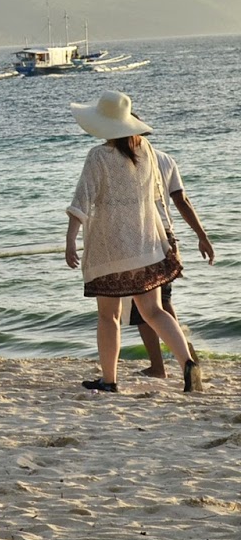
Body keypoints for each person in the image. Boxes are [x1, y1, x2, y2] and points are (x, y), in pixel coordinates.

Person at [64, 91, 202, 393]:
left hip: (110, 250)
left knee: (108, 316)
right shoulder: (147, 151)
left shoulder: (98, 156)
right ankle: (187, 364)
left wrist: (71, 238)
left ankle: (109, 380)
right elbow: (157, 200)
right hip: (146, 246)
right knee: (155, 312)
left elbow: (82, 201)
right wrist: (167, 240)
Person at [131, 133, 216, 378]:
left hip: (141, 237)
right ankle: (187, 358)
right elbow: (181, 200)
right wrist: (202, 235)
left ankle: (161, 366)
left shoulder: (130, 162)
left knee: (145, 307)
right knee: (162, 302)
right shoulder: (165, 159)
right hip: (166, 237)